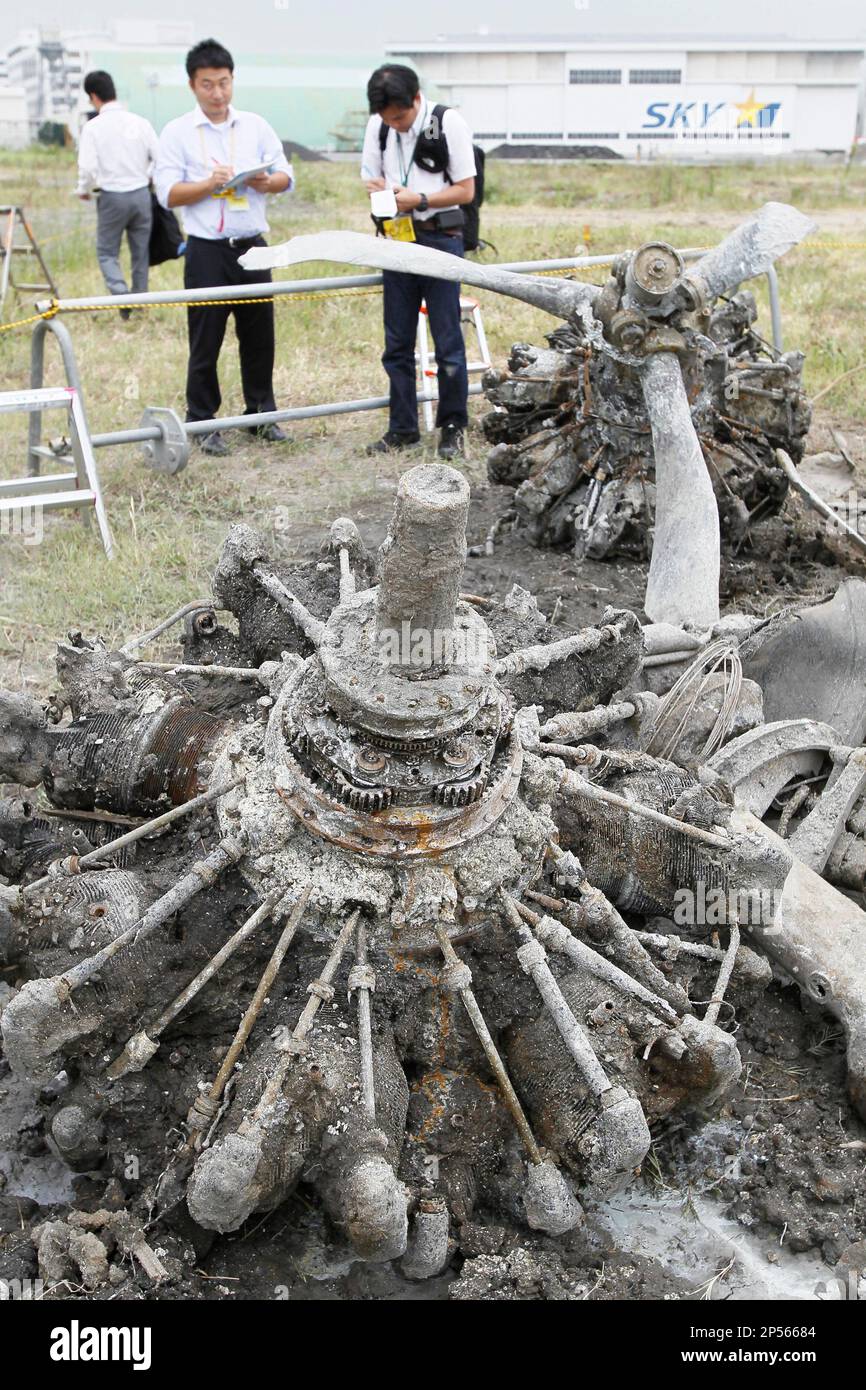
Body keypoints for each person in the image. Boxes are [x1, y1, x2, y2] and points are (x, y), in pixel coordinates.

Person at [154, 38, 294, 457]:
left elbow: (285, 173)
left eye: (224, 83)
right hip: (206, 249)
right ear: (192, 86)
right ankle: (202, 420)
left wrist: (269, 181)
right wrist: (208, 185)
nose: (218, 94)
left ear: (233, 81)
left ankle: (261, 414)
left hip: (252, 245)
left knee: (259, 335)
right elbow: (168, 194)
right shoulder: (178, 132)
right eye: (208, 85)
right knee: (206, 336)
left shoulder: (254, 125)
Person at [361, 64, 476, 460]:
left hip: (440, 239)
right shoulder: (379, 128)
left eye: (399, 117)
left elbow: (466, 189)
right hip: (396, 239)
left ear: (415, 100)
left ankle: (452, 427)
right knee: (397, 344)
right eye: (386, 119)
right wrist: (383, 190)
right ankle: (403, 427)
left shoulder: (447, 123)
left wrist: (420, 199)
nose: (393, 124)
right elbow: (370, 177)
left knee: (447, 341)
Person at [76, 71, 158, 320]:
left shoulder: (93, 127)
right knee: (140, 252)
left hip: (112, 196)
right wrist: (148, 176)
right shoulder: (140, 122)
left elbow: (88, 167)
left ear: (93, 96)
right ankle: (141, 301)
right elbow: (160, 156)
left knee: (107, 252)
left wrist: (83, 188)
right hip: (141, 194)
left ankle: (122, 295)